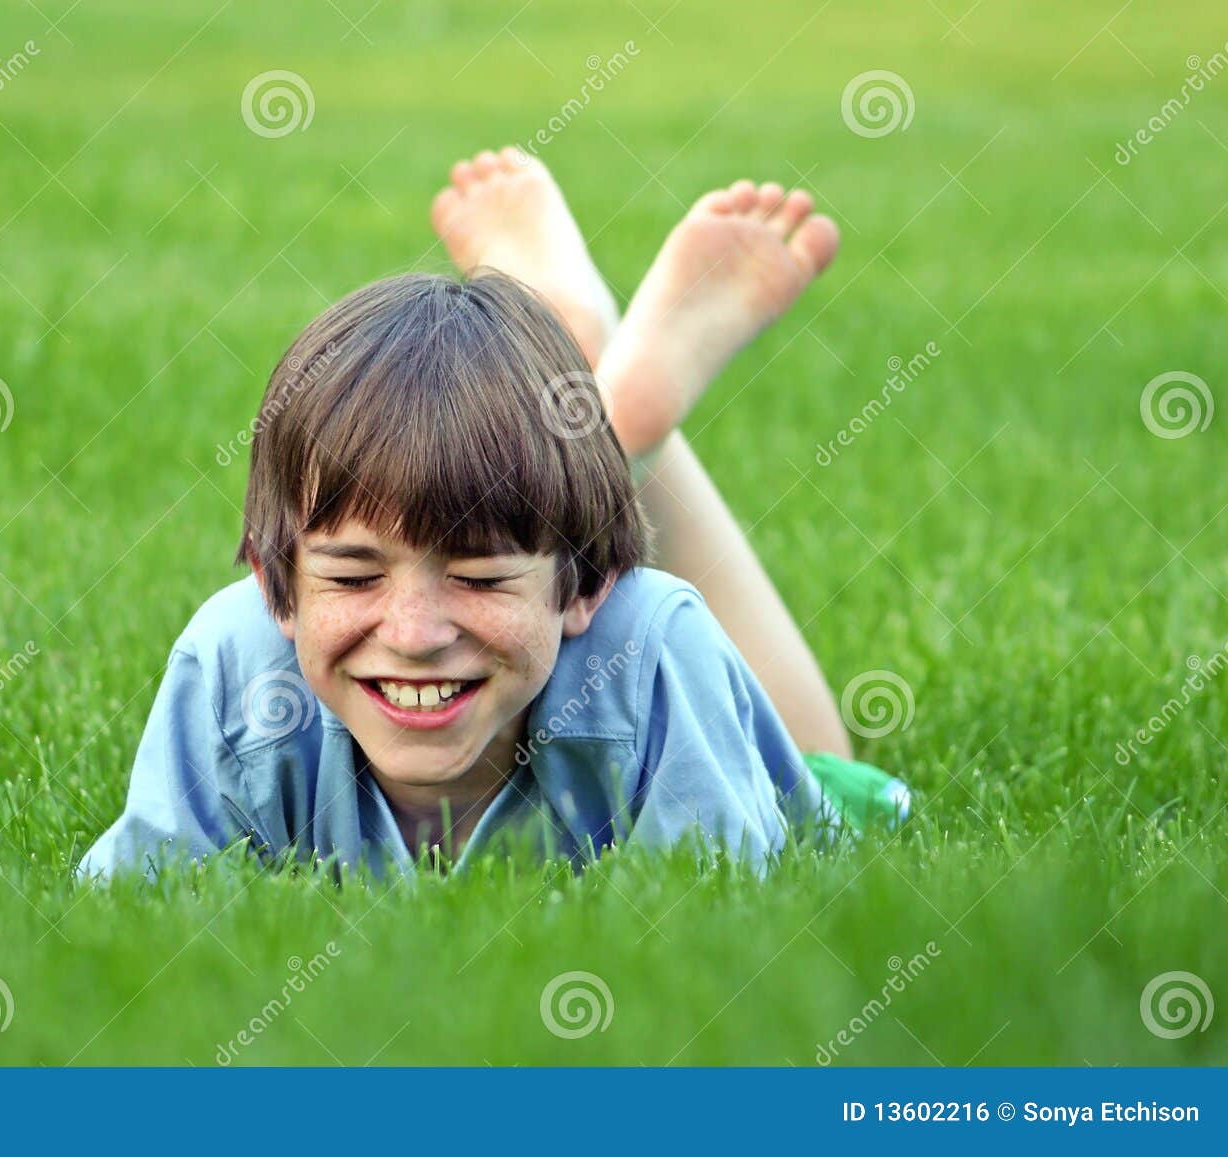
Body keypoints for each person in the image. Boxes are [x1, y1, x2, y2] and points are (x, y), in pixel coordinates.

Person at [80, 147, 899, 881]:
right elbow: (133, 917)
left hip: (667, 670)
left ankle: (606, 421)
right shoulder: (238, 667)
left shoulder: (645, 651)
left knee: (817, 760)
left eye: (476, 576)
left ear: (587, 587)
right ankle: (597, 417)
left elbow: (725, 926)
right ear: (276, 584)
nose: (413, 632)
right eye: (354, 574)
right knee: (551, 495)